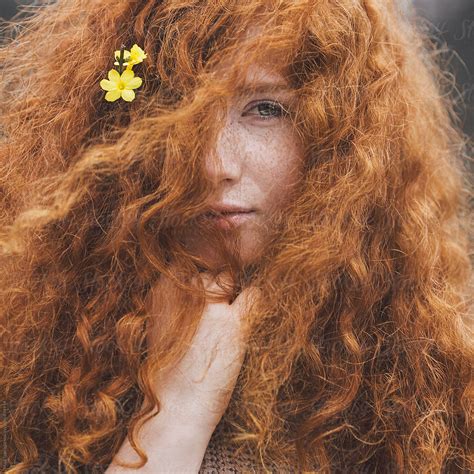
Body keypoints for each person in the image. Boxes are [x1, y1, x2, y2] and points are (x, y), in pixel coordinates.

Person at [0, 0, 472, 472]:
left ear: (344, 136)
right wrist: (176, 413)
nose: (213, 165)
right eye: (179, 111)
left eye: (265, 109)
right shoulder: (32, 372)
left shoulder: (436, 387)